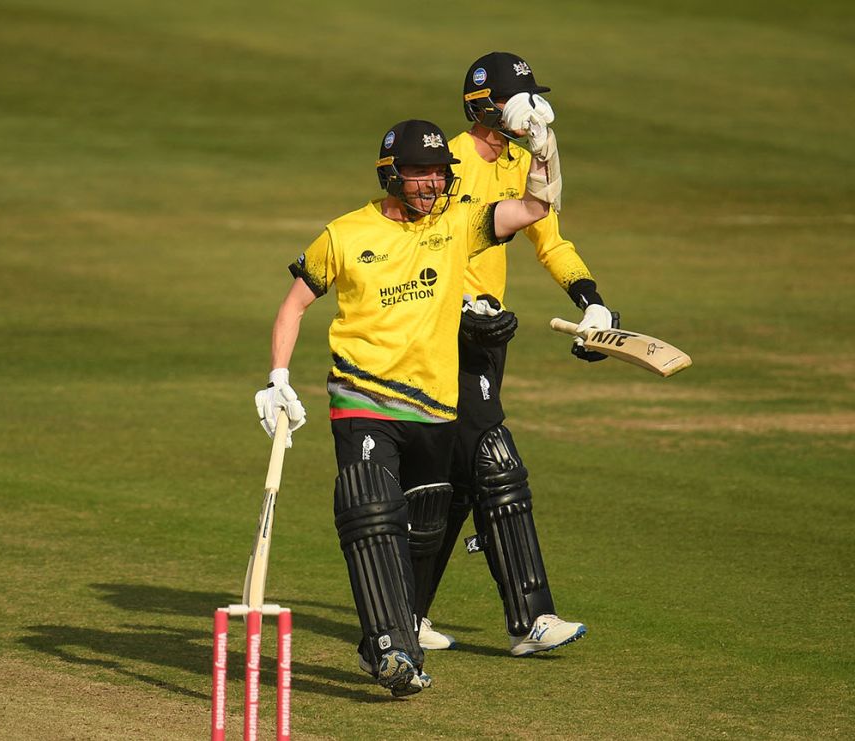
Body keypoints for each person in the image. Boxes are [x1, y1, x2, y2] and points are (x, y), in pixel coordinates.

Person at [254, 115, 560, 695]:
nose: (432, 184)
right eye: (420, 173)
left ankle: (390, 636)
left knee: (423, 527)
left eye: (439, 173)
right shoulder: (344, 234)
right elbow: (294, 304)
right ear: (392, 173)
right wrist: (278, 378)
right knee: (372, 515)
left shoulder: (458, 225)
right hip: (362, 394)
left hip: (435, 406)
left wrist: (543, 153)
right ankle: (392, 652)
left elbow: (534, 210)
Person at [416, 51, 617, 657]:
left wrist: (592, 301)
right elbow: (428, 249)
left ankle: (404, 612)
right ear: (484, 105)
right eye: (516, 101)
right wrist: (460, 307)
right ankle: (531, 618)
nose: (527, 114)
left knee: (452, 484)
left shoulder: (520, 162)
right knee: (495, 462)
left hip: (486, 336)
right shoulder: (449, 162)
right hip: (443, 334)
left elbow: (549, 238)